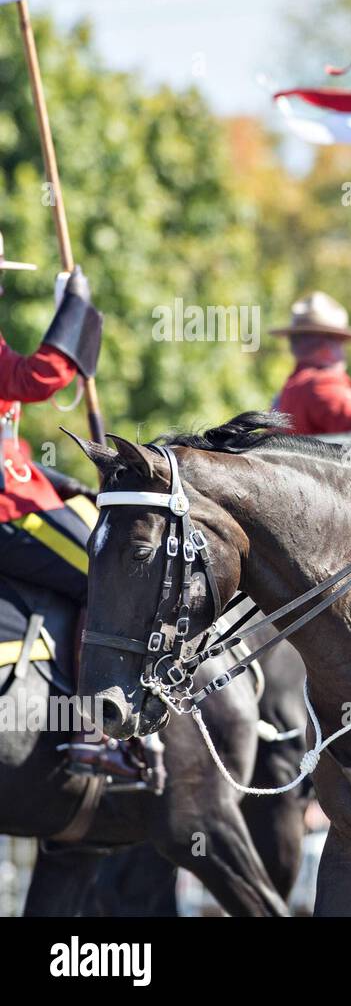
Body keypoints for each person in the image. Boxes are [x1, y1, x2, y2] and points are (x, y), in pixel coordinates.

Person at [0, 245, 140, 780]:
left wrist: (61, 484)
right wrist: (73, 313)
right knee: (104, 577)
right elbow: (36, 378)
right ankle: (92, 730)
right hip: (7, 512)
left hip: (17, 491)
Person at [271, 291, 351, 435]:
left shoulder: (291, 387)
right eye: (340, 343)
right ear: (326, 348)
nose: (343, 353)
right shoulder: (324, 384)